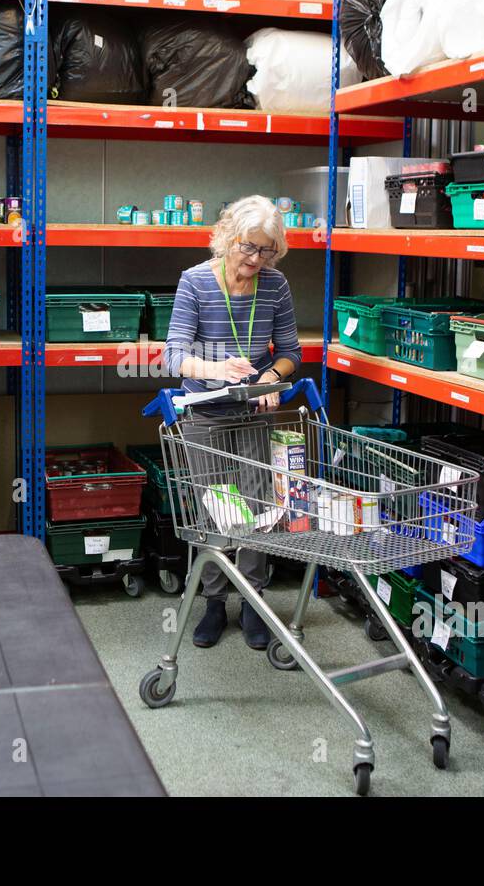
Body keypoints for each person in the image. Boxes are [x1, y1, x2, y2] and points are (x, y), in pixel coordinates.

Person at [162, 195, 301, 650]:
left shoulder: (275, 285)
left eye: (266, 251)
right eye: (247, 248)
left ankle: (254, 602)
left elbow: (289, 353)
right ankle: (214, 602)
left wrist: (271, 376)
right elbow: (174, 356)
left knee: (259, 509)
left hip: (254, 411)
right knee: (214, 508)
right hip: (206, 411)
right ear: (226, 239)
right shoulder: (195, 282)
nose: (255, 259)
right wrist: (215, 369)